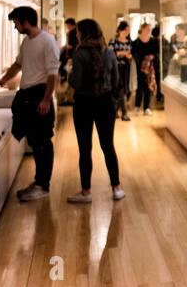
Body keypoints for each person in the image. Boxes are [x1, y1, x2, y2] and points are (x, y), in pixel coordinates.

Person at [0, 5, 58, 200]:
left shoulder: (47, 42)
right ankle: (39, 182)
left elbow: (52, 74)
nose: (15, 27)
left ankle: (43, 185)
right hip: (28, 95)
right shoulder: (27, 42)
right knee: (34, 140)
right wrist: (4, 79)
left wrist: (46, 100)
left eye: (16, 23)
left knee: (42, 142)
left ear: (26, 22)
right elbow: (19, 64)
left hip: (39, 95)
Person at [66, 19, 124, 203]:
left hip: (84, 103)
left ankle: (86, 191)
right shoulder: (109, 52)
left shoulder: (79, 54)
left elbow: (76, 82)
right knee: (108, 145)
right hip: (105, 103)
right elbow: (116, 81)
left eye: (78, 32)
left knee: (85, 148)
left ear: (83, 33)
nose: (76, 35)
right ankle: (116, 188)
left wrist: (69, 74)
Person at [131, 22, 160, 115]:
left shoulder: (152, 41)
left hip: (150, 69)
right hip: (140, 68)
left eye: (149, 29)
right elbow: (134, 54)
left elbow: (156, 53)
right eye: (147, 29)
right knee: (139, 88)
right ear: (142, 29)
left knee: (148, 87)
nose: (149, 31)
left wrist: (151, 57)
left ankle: (146, 107)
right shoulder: (136, 42)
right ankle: (137, 106)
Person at [109, 21, 133, 121]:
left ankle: (117, 111)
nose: (127, 32)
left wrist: (127, 55)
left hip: (125, 68)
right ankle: (122, 112)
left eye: (128, 30)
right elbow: (111, 54)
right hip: (115, 68)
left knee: (121, 89)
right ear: (120, 30)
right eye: (125, 30)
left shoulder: (129, 42)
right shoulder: (113, 41)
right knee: (118, 89)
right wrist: (121, 53)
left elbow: (131, 55)